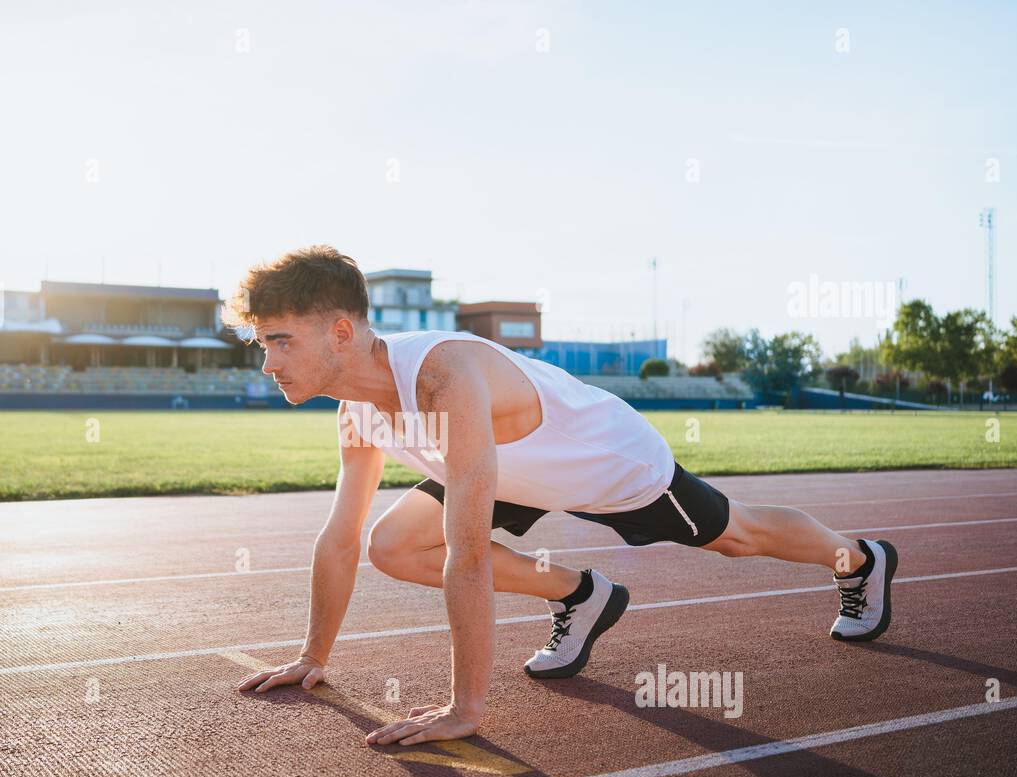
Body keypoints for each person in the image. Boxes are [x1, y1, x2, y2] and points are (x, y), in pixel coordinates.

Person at [227, 246, 898, 746]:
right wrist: (314, 656)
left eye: (280, 341)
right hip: (504, 470)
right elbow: (341, 537)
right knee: (391, 544)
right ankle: (582, 595)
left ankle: (860, 560)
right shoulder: (355, 410)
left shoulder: (440, 377)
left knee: (737, 536)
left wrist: (467, 708)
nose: (268, 361)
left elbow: (468, 557)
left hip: (601, 462)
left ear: (341, 332)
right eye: (263, 342)